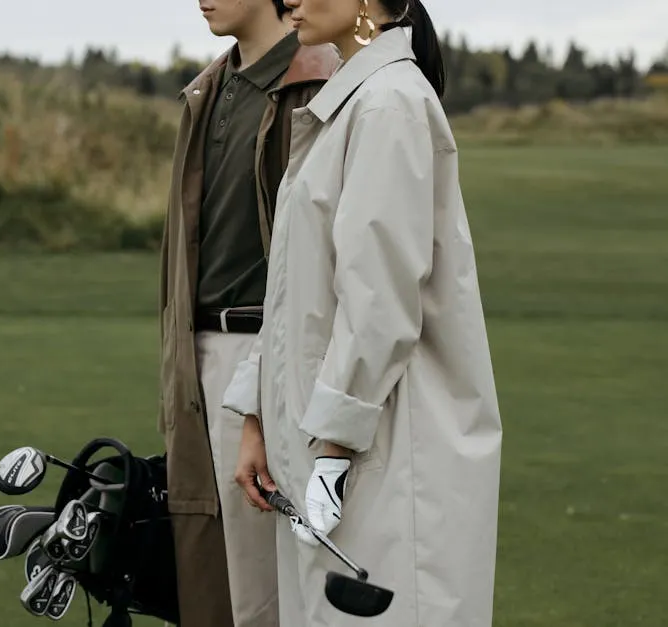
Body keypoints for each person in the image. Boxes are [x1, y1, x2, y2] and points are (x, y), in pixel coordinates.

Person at [222, 1, 504, 626]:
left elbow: (380, 299)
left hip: (382, 451)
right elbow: (295, 290)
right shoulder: (351, 102)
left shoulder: (388, 103)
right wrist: (257, 416)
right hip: (327, 447)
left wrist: (336, 445)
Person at [157, 0, 340, 625]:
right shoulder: (210, 87)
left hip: (270, 357)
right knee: (217, 578)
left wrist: (263, 392)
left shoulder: (319, 81)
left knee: (265, 591)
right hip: (199, 357)